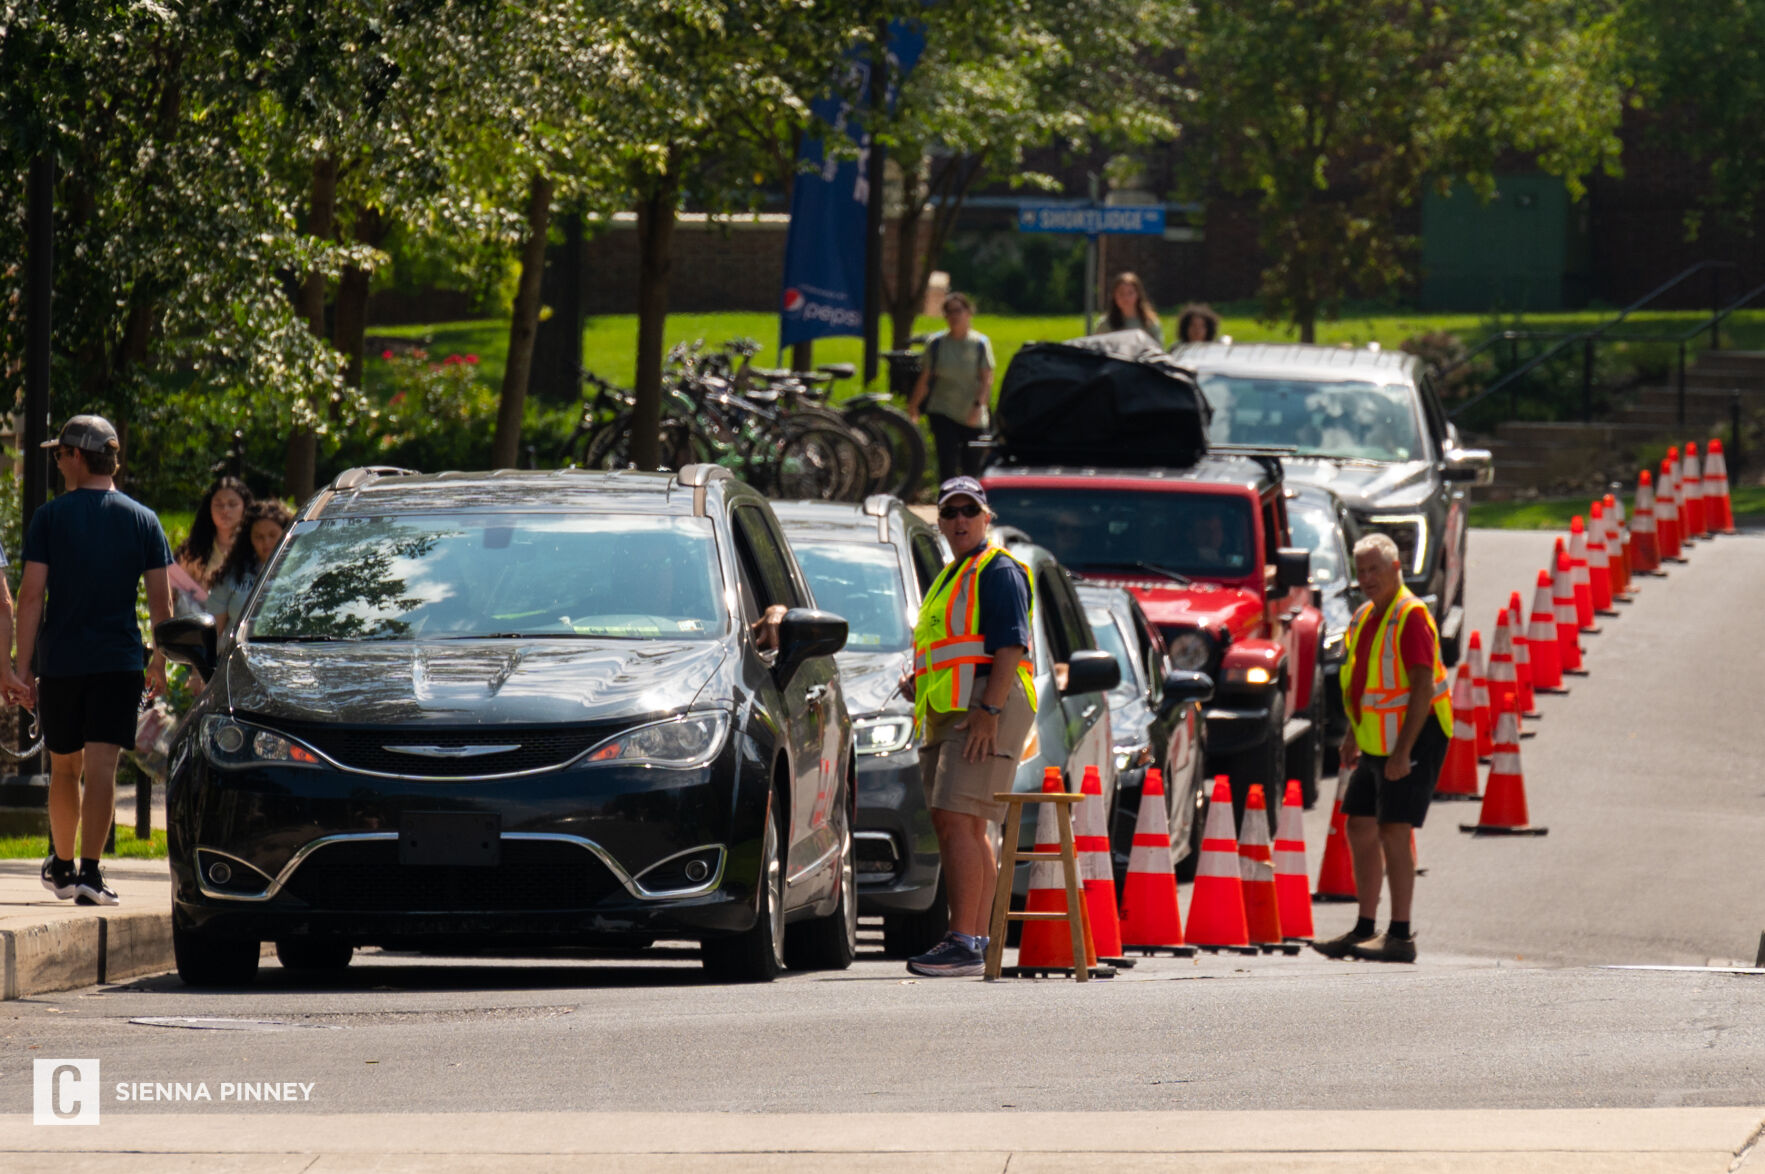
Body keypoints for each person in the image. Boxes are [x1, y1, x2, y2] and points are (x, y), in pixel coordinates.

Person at [16, 415, 174, 907]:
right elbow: (162, 602)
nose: (58, 462)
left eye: (60, 454)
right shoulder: (143, 519)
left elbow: (31, 596)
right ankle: (90, 872)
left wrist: (22, 667)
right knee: (103, 767)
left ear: (79, 457)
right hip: (119, 660)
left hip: (62, 660)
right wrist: (160, 662)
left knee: (64, 767)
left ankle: (61, 868)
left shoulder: (51, 517)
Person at [900, 477, 1037, 977]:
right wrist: (918, 679)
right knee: (959, 820)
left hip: (984, 704)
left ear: (986, 517)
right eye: (950, 512)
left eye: (968, 511)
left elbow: (1010, 647)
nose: (959, 520)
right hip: (954, 705)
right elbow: (954, 646)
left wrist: (990, 711)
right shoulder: (952, 573)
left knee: (960, 819)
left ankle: (963, 941)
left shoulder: (998, 570)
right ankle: (974, 939)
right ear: (939, 521)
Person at [1314, 533, 1451, 964]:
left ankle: (1400, 935)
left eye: (1375, 569)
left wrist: (1401, 752)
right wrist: (1355, 735)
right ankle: (1364, 928)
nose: (1367, 578)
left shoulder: (1409, 616)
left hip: (1414, 736)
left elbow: (1422, 686)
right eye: (1361, 571)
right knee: (1359, 825)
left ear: (1396, 570)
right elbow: (1364, 684)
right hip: (1378, 738)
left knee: (1394, 829)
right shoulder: (1364, 616)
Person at [907, 293, 996, 482]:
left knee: (971, 468)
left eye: (958, 311)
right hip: (942, 409)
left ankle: (971, 506)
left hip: (972, 413)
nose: (953, 316)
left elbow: (987, 379)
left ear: (968, 312)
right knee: (947, 462)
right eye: (948, 312)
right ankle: (947, 504)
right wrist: (913, 406)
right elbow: (925, 379)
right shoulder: (937, 344)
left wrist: (978, 406)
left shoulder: (980, 344)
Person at [205, 499, 293, 637]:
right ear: (249, 539)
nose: (266, 542)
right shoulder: (232, 574)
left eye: (272, 535)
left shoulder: (303, 571)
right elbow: (212, 633)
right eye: (259, 537)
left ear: (287, 533)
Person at [174, 476, 253, 600]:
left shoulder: (255, 547)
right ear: (209, 508)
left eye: (232, 505)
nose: (225, 510)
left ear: (245, 507)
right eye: (218, 504)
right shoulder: (192, 553)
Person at [1102, 272, 1163, 346]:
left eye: (1130, 293)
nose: (1125, 298)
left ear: (1138, 294)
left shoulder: (1149, 322)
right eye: (1121, 293)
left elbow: (1159, 349)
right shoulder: (1106, 324)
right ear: (1114, 295)